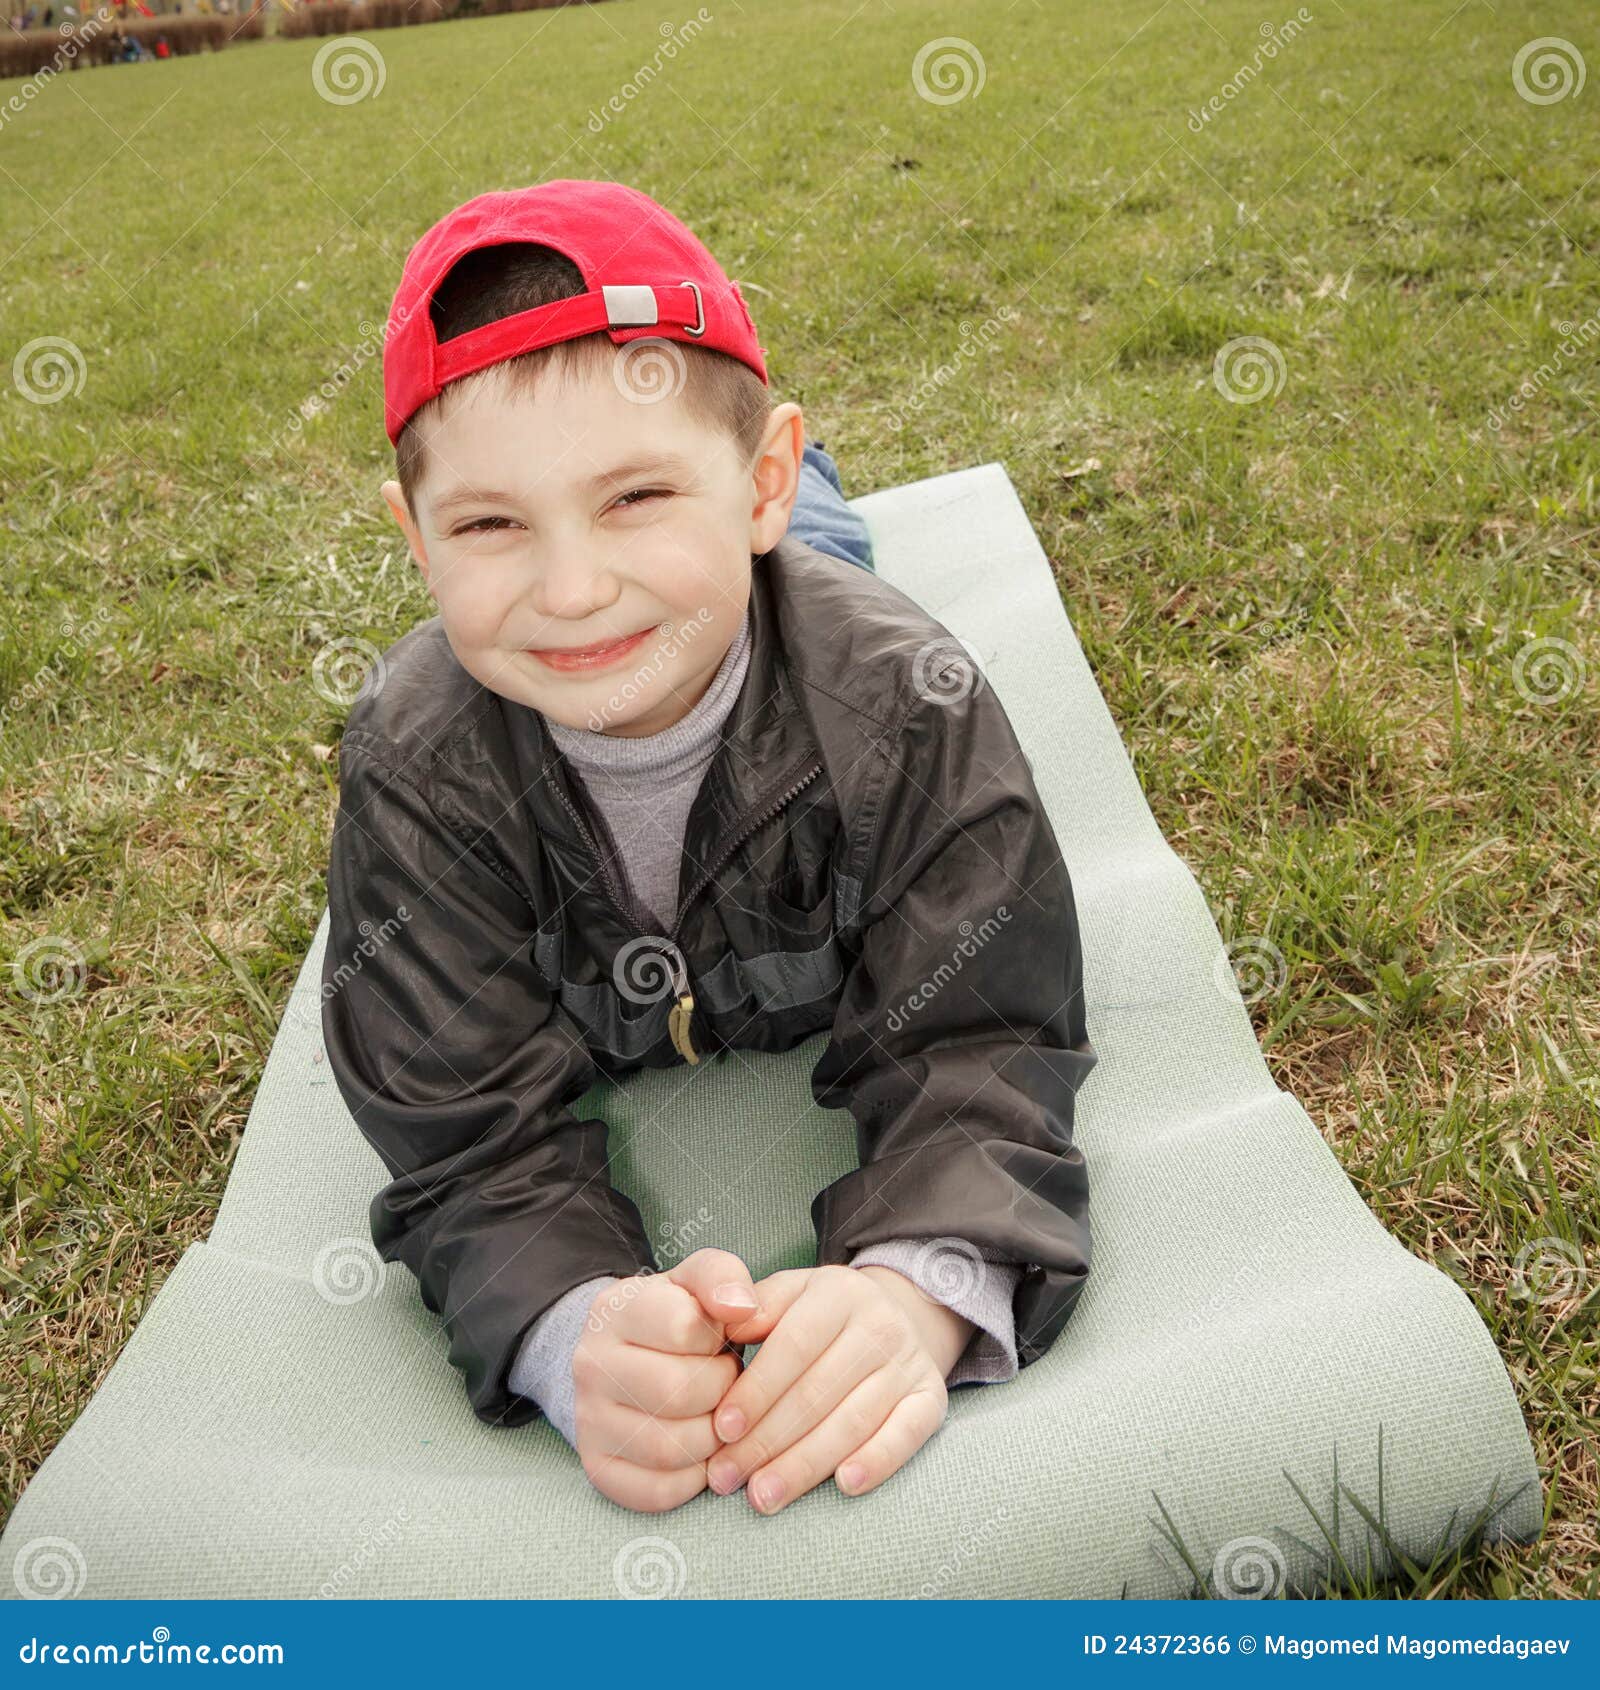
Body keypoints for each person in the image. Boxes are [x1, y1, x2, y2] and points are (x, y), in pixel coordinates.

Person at [321, 179, 1095, 1517]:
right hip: (741, 560)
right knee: (712, 583)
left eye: (633, 496)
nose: (570, 591)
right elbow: (458, 1135)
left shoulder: (911, 710)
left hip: (798, 590)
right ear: (414, 539)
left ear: (758, 479)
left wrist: (924, 1281)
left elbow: (983, 1033)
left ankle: (815, 502)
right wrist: (567, 1327)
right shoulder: (413, 761)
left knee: (832, 567)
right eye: (490, 524)